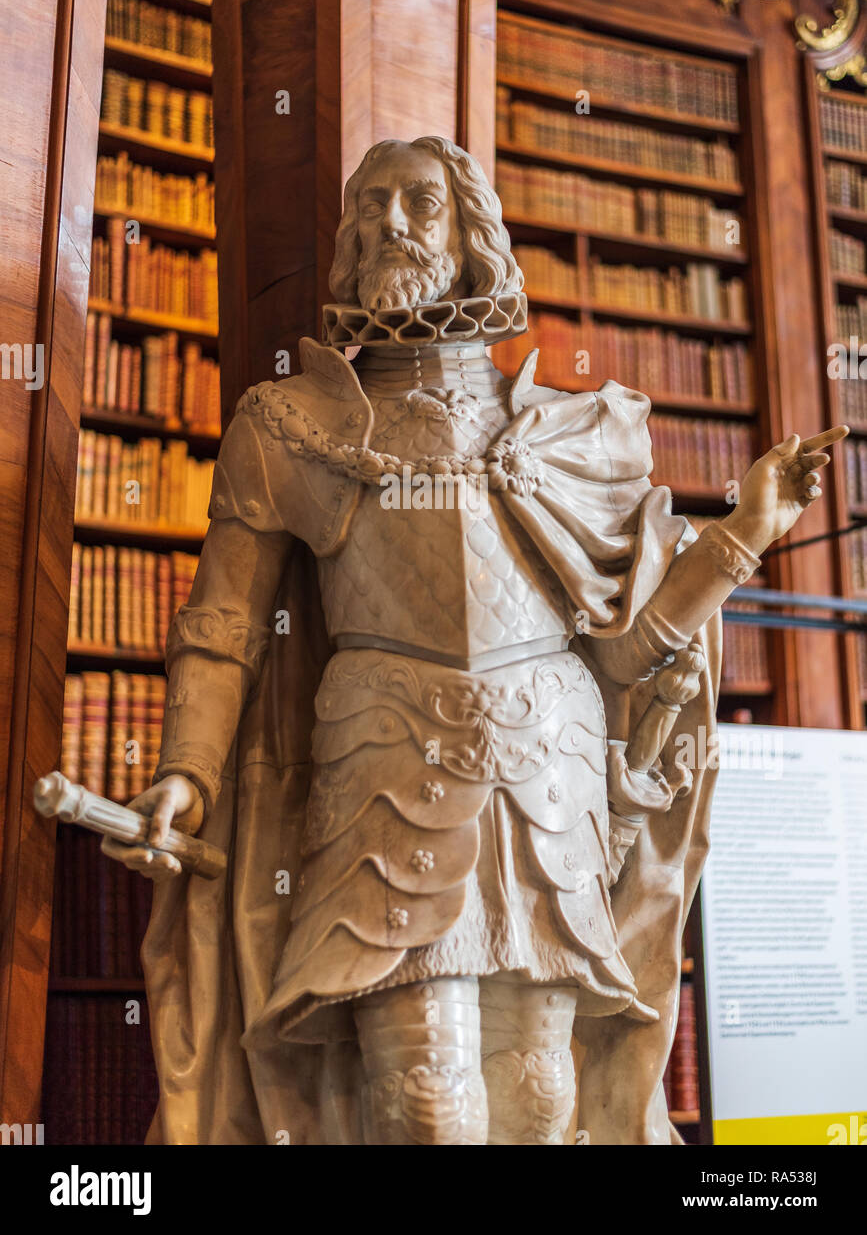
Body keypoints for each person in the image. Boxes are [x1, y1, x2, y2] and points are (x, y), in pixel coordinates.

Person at [103, 136, 844, 1144]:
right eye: (368, 207)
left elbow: (628, 656)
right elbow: (225, 623)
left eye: (417, 203)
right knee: (425, 1097)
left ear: (474, 234)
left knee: (542, 1093)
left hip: (551, 783)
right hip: (383, 767)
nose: (390, 225)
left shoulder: (573, 433)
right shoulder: (291, 425)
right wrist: (185, 773)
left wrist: (748, 530)